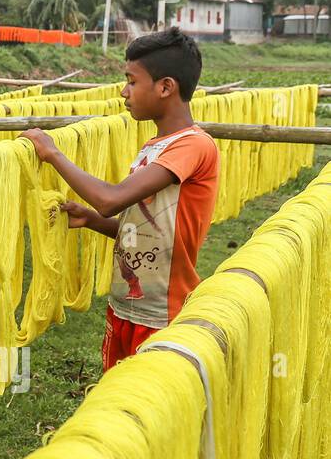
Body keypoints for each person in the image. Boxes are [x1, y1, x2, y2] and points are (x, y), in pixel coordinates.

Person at [21, 27, 218, 371]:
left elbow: (110, 199)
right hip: (125, 305)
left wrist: (52, 154)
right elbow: (146, 226)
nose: (123, 92)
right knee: (114, 397)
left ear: (165, 87)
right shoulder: (153, 148)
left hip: (163, 313)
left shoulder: (193, 146)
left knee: (149, 406)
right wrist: (95, 222)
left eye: (131, 81)